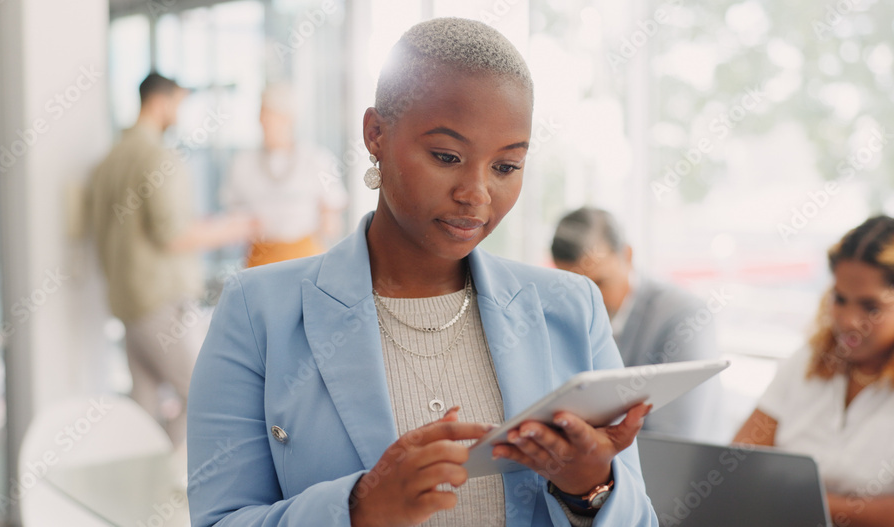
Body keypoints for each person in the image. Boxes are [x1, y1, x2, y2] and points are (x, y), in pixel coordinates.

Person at [187, 18, 658, 527]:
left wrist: (591, 489)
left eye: (505, 167)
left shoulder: (571, 307)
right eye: (446, 156)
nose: (476, 194)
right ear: (376, 134)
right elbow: (220, 520)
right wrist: (359, 510)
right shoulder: (258, 312)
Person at [86, 72, 256, 445]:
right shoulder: (158, 157)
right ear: (160, 102)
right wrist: (238, 228)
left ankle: (147, 479)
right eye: (178, 104)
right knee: (203, 396)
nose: (180, 113)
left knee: (143, 408)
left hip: (128, 303)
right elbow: (174, 235)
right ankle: (175, 476)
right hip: (160, 303)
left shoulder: (110, 160)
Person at [734, 215, 894, 527]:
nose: (849, 321)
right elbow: (738, 463)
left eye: (871, 307)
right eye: (840, 299)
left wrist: (792, 498)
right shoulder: (810, 359)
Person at [552, 207, 723, 442]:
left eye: (600, 283)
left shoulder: (684, 317)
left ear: (628, 255)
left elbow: (673, 439)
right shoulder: (561, 319)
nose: (588, 301)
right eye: (575, 288)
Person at [220, 83, 348, 268]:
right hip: (260, 259)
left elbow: (332, 218)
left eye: (271, 115)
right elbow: (233, 214)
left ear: (289, 118)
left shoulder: (316, 159)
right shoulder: (242, 162)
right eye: (262, 114)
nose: (265, 122)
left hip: (307, 257)